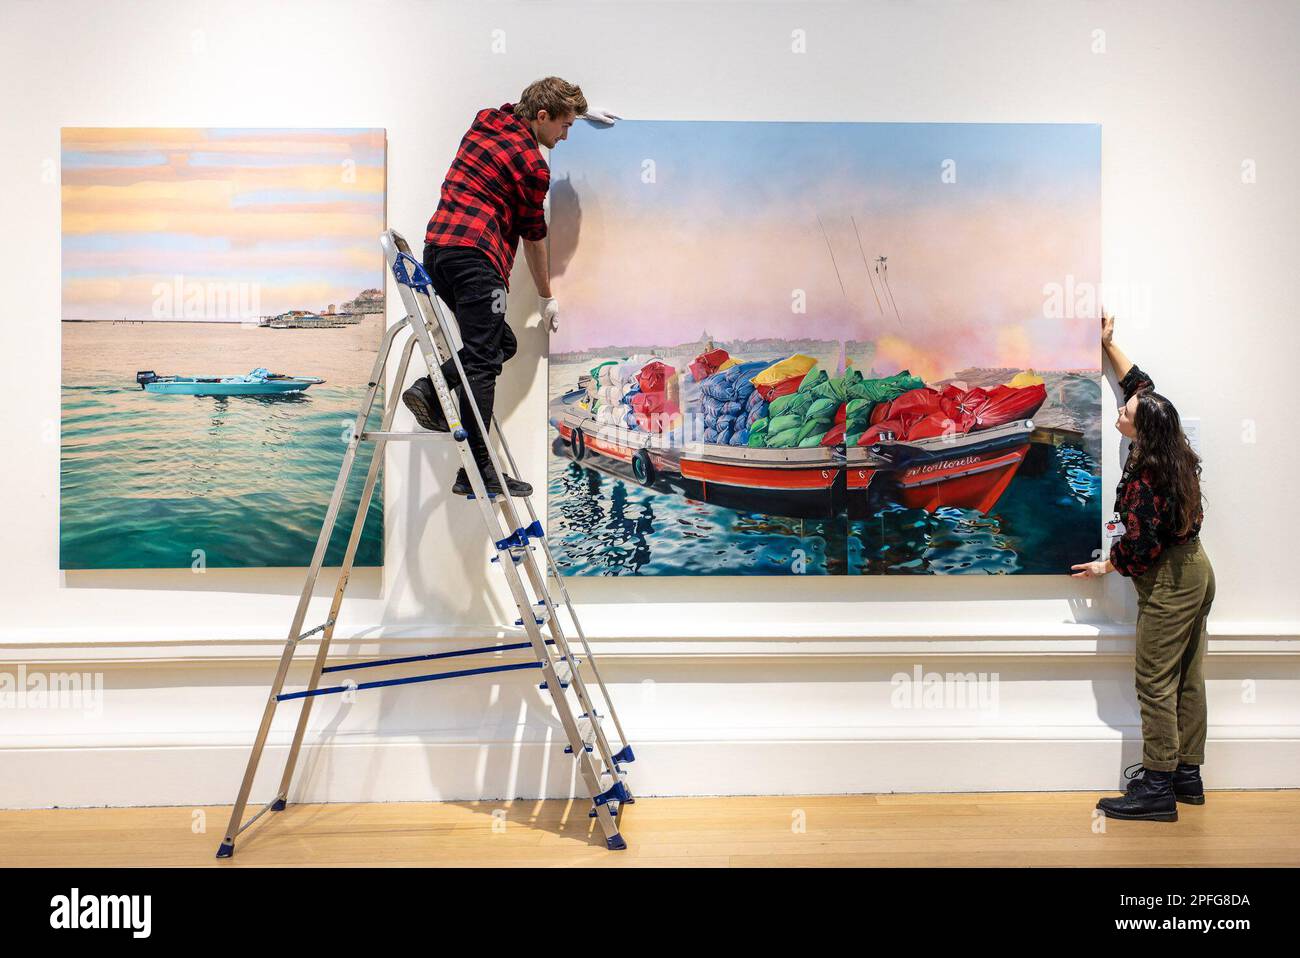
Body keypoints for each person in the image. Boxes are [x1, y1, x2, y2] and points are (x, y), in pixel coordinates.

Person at [402, 77, 591, 497]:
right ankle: (476, 472)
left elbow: (521, 105)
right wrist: (545, 297)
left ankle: (430, 387)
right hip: (476, 261)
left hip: (437, 253)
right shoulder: (533, 166)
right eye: (564, 125)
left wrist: (580, 108)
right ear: (542, 117)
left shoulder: (488, 120)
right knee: (485, 363)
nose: (565, 135)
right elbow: (533, 235)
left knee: (499, 345)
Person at [1072, 311, 1213, 822]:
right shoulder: (1166, 445)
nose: (1123, 405)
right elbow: (1142, 384)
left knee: (1154, 680)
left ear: (1139, 426)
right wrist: (1110, 345)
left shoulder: (1146, 478)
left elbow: (1141, 548)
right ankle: (1186, 776)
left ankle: (1155, 786)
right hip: (1198, 570)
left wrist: (1106, 565)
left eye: (1125, 407)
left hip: (1172, 579)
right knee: (1189, 676)